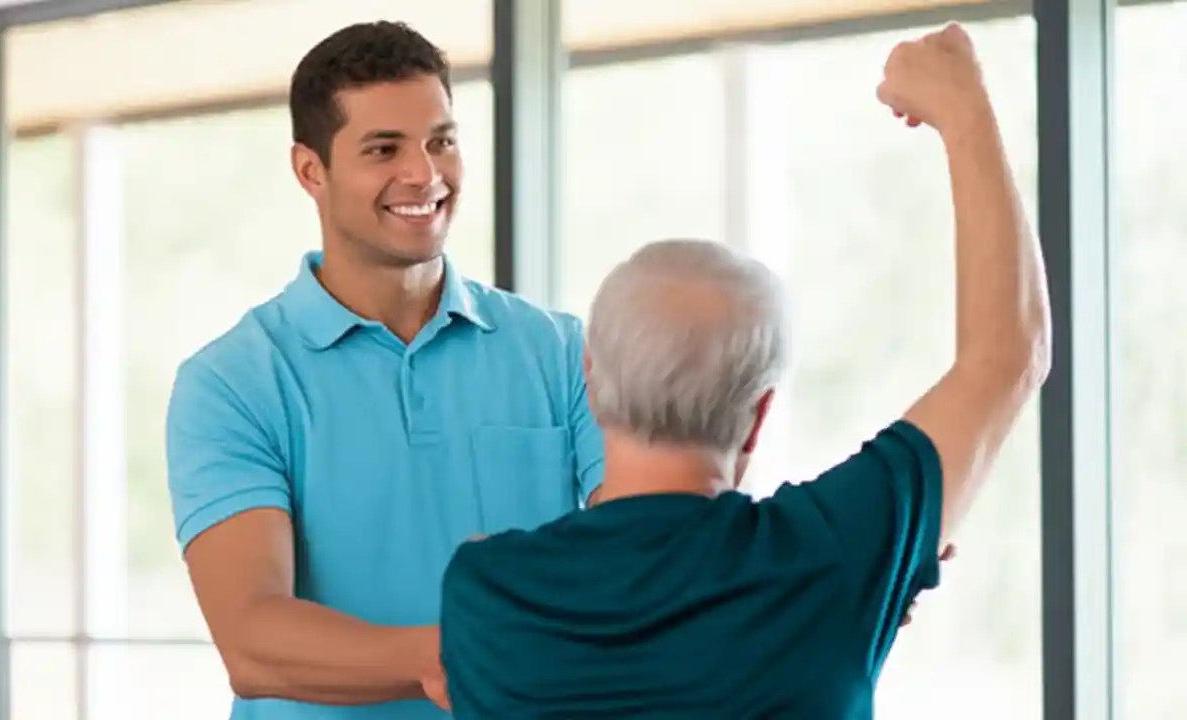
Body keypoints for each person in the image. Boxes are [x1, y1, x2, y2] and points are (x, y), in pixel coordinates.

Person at [438, 22, 1050, 719]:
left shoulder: (484, 590)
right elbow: (1008, 354)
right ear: (758, 415)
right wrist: (964, 105)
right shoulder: (827, 557)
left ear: (591, 377)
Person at [164, 21, 603, 719]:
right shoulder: (232, 383)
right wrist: (463, 655)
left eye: (441, 141)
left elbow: (640, 549)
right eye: (384, 149)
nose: (424, 174)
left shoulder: (559, 351)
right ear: (311, 171)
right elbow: (254, 642)